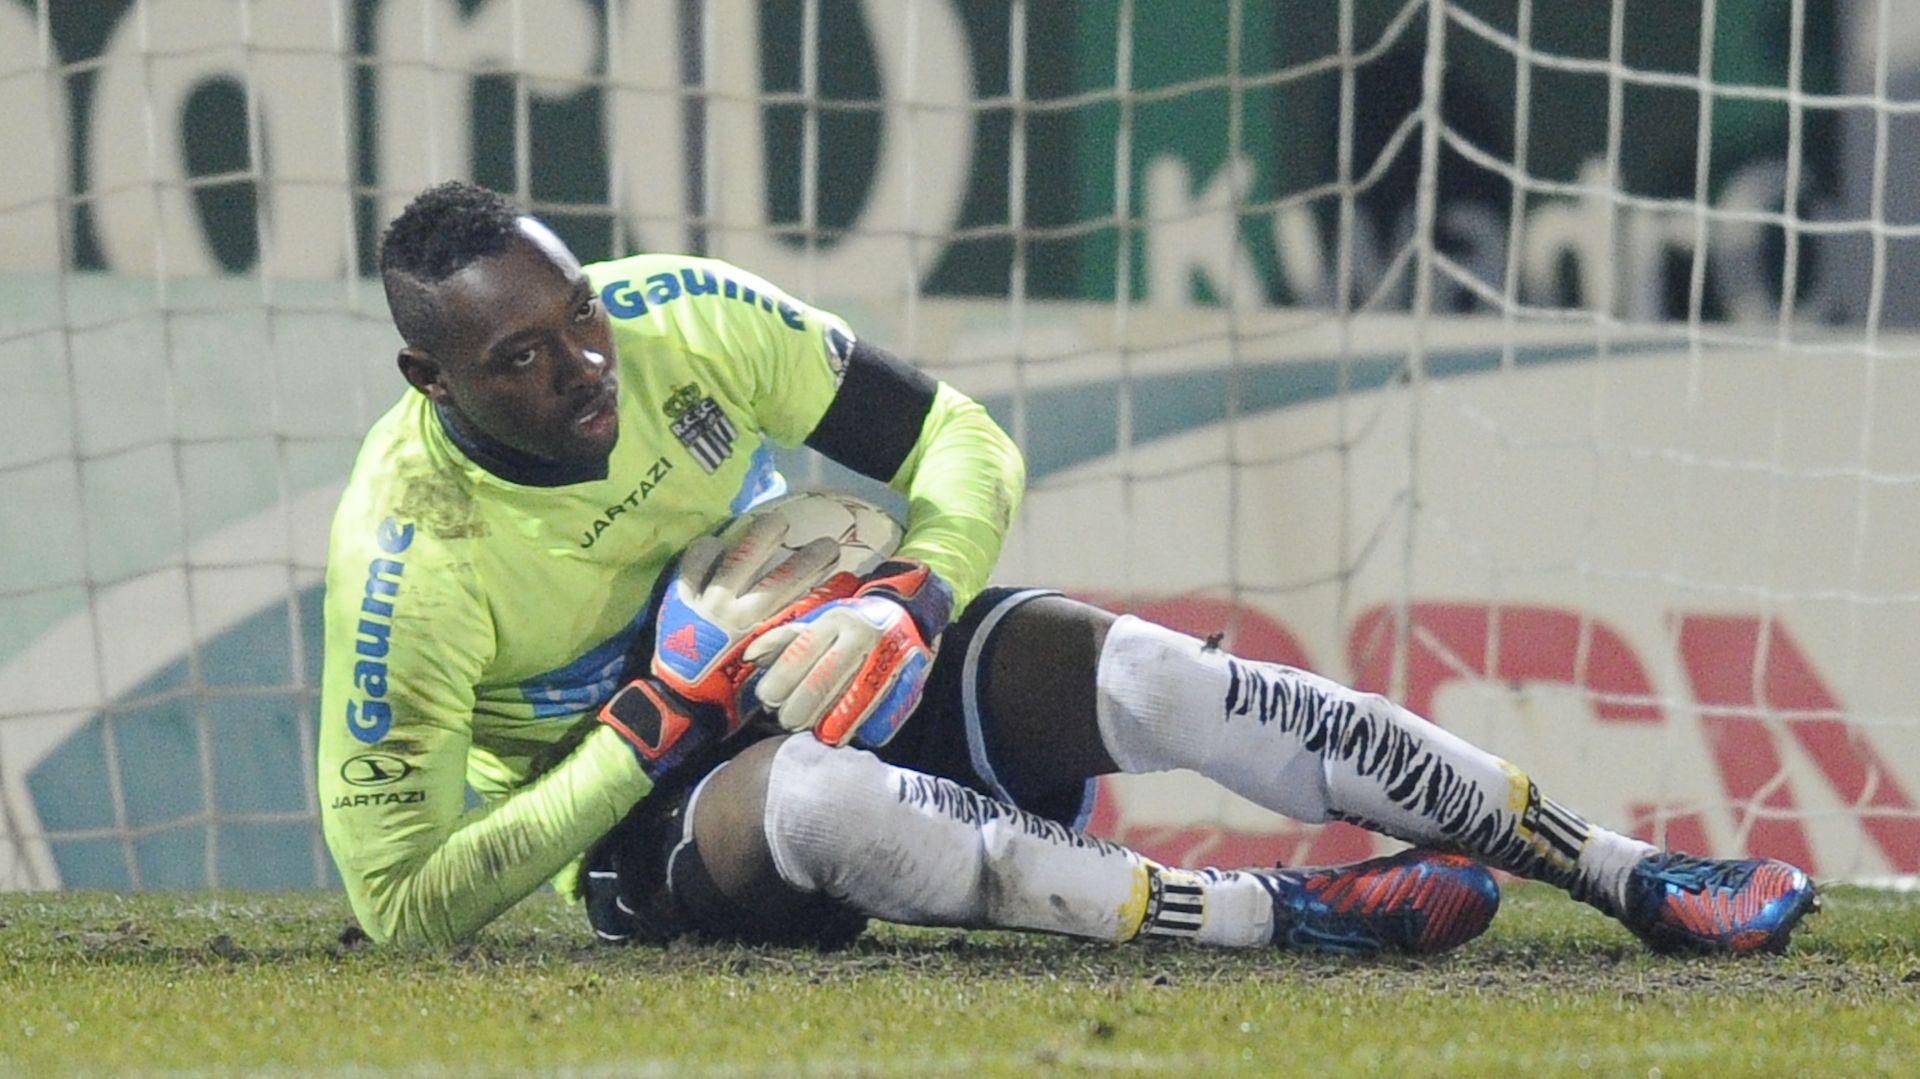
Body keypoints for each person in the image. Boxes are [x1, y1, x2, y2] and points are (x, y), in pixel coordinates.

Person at [317, 180, 1818, 956]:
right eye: (520, 358)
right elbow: (401, 901)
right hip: (668, 822)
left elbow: (959, 443)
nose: (585, 364)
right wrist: (644, 724)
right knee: (827, 796)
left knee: (1163, 672)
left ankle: (1629, 876)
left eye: (578, 310)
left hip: (828, 666)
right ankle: (1282, 921)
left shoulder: (684, 322)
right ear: (427, 378)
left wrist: (913, 594)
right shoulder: (410, 563)